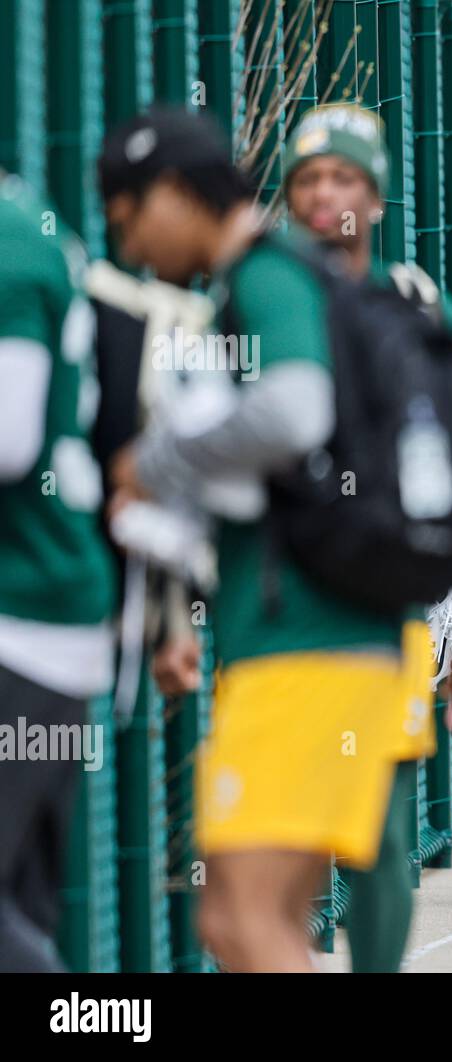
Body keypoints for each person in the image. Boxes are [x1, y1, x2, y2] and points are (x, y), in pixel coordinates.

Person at [99, 108, 406, 971]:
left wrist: (156, 461)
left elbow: (293, 410)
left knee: (240, 923)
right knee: (260, 920)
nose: (131, 250)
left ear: (171, 195)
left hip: (302, 648)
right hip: (327, 639)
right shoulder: (292, 273)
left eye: (130, 222)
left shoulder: (264, 274)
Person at [279, 103, 452, 969]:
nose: (325, 195)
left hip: (384, 612)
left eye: (344, 178)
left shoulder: (416, 306)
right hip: (280, 608)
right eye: (308, 180)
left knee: (380, 830)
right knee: (283, 829)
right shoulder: (259, 293)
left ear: (374, 197)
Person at [0, 174, 116, 972]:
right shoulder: (29, 225)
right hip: (51, 615)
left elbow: (8, 439)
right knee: (22, 905)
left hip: (25, 613)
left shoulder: (13, 245)